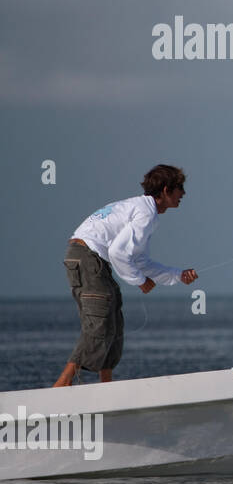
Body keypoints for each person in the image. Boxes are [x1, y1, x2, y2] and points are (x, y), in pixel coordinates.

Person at [53, 166, 198, 387]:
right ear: (167, 190)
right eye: (180, 189)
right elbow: (118, 253)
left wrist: (178, 275)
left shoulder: (142, 209)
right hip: (88, 256)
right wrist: (139, 281)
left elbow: (140, 261)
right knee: (100, 322)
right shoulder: (145, 213)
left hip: (87, 258)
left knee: (113, 319)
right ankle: (62, 384)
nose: (184, 194)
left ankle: (106, 385)